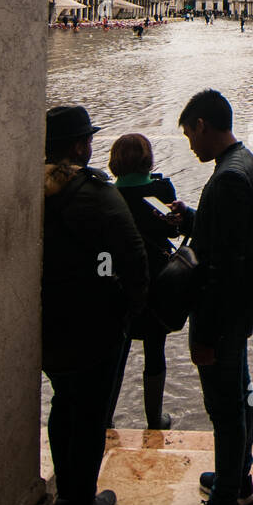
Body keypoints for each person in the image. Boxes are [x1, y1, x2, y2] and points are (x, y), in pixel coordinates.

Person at [164, 89, 253, 505]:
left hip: (224, 308)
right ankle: (237, 478)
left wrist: (203, 334)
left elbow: (221, 266)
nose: (190, 146)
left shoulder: (226, 180)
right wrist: (192, 218)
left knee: (224, 408)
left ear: (204, 125)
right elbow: (228, 235)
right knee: (240, 389)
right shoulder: (244, 164)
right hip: (244, 300)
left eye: (190, 135)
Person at [42, 105, 148, 505]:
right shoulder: (96, 193)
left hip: (46, 326)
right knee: (90, 415)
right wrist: (129, 310)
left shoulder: (24, 188)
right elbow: (134, 259)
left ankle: (64, 499)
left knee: (63, 403)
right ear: (79, 147)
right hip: (95, 326)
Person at [106, 133, 182, 430]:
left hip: (120, 282)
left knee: (117, 352)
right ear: (147, 160)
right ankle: (154, 419)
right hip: (157, 281)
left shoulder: (108, 194)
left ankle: (106, 415)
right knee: (155, 348)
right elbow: (174, 232)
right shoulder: (161, 188)